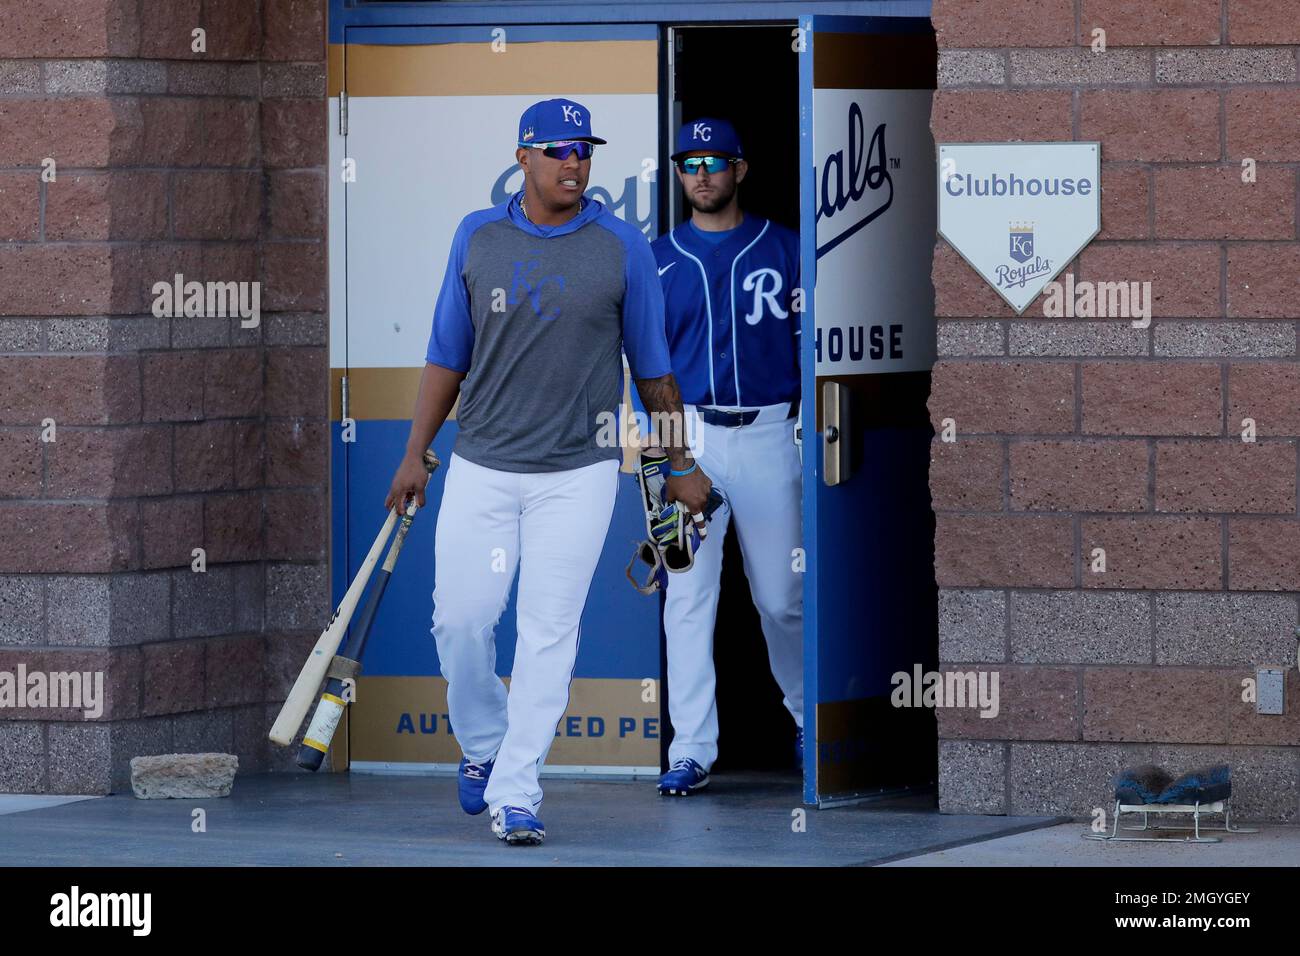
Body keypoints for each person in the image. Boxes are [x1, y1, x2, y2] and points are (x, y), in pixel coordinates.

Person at [385, 98, 712, 845]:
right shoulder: (478, 235)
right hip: (483, 463)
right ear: (523, 157)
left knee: (548, 633)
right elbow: (447, 355)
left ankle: (518, 791)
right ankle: (484, 746)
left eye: (584, 150)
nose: (574, 162)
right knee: (460, 621)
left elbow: (654, 371)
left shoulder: (623, 246)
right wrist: (414, 454)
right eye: (559, 150)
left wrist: (679, 465)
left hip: (580, 470)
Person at [650, 117, 804, 796]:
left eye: (716, 160)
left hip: (772, 431)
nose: (702, 171)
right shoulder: (656, 259)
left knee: (782, 597)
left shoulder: (788, 249)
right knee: (687, 597)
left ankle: (810, 722)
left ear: (740, 169)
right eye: (690, 160)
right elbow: (644, 363)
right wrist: (665, 453)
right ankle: (692, 750)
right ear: (679, 172)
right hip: (691, 437)